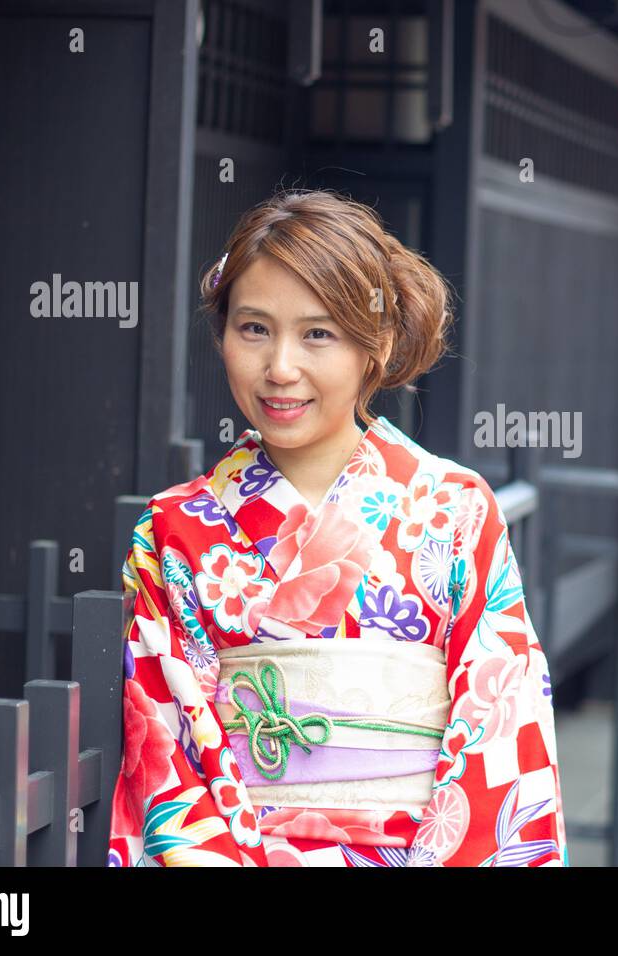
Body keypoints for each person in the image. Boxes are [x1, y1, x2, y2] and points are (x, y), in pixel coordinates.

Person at [108, 189, 568, 867]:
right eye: (254, 328)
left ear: (376, 343)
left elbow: (502, 720)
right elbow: (168, 745)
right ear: (223, 334)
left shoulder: (456, 509)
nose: (281, 368)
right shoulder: (174, 529)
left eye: (317, 333)